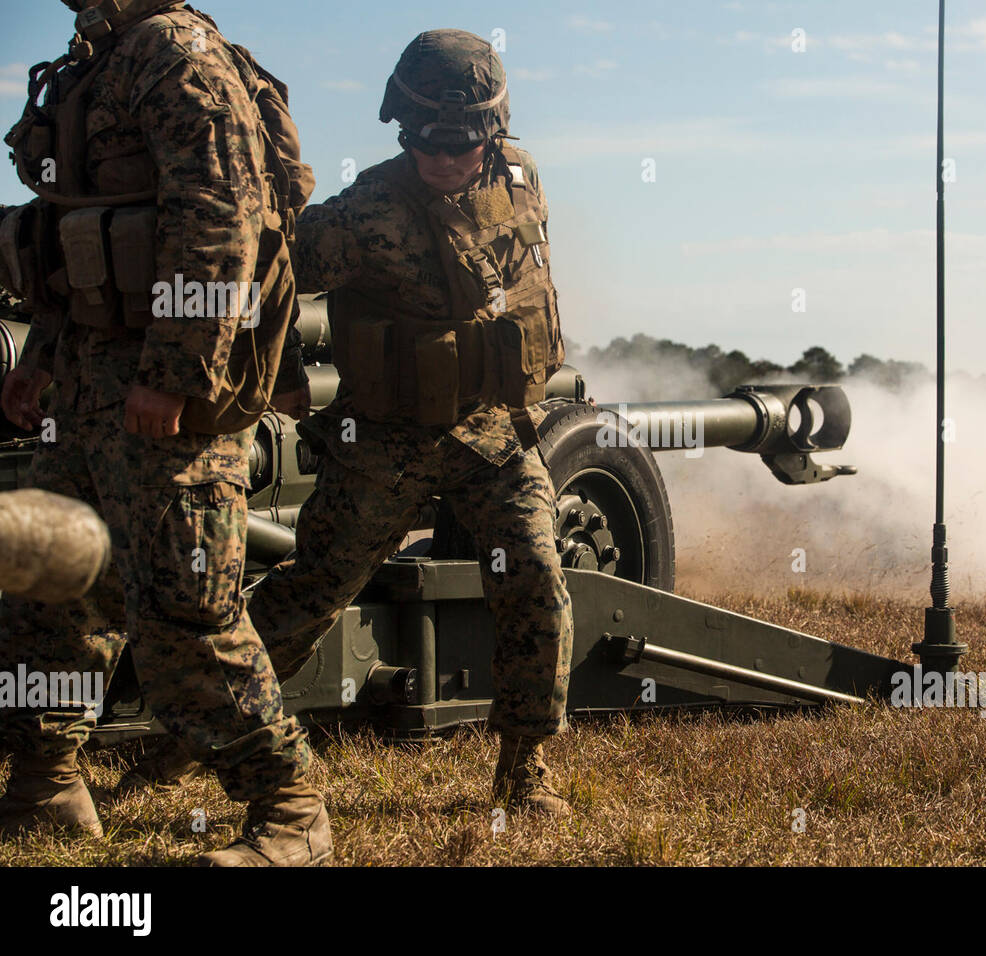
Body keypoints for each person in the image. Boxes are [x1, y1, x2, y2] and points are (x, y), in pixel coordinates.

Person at [130, 28, 576, 815]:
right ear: (401, 127)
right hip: (385, 442)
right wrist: (289, 374)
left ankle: (525, 768)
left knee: (537, 577)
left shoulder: (522, 177)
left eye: (462, 141)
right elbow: (267, 272)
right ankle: (182, 744)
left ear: (493, 130)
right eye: (425, 142)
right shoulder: (365, 207)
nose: (443, 159)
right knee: (310, 595)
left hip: (490, 430)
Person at [0, 0, 331, 865]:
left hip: (163, 387)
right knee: (55, 585)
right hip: (89, 377)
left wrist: (175, 372)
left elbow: (221, 212)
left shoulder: (176, 54)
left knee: (184, 604)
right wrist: (41, 356)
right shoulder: (101, 58)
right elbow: (82, 236)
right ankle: (47, 781)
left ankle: (291, 808)